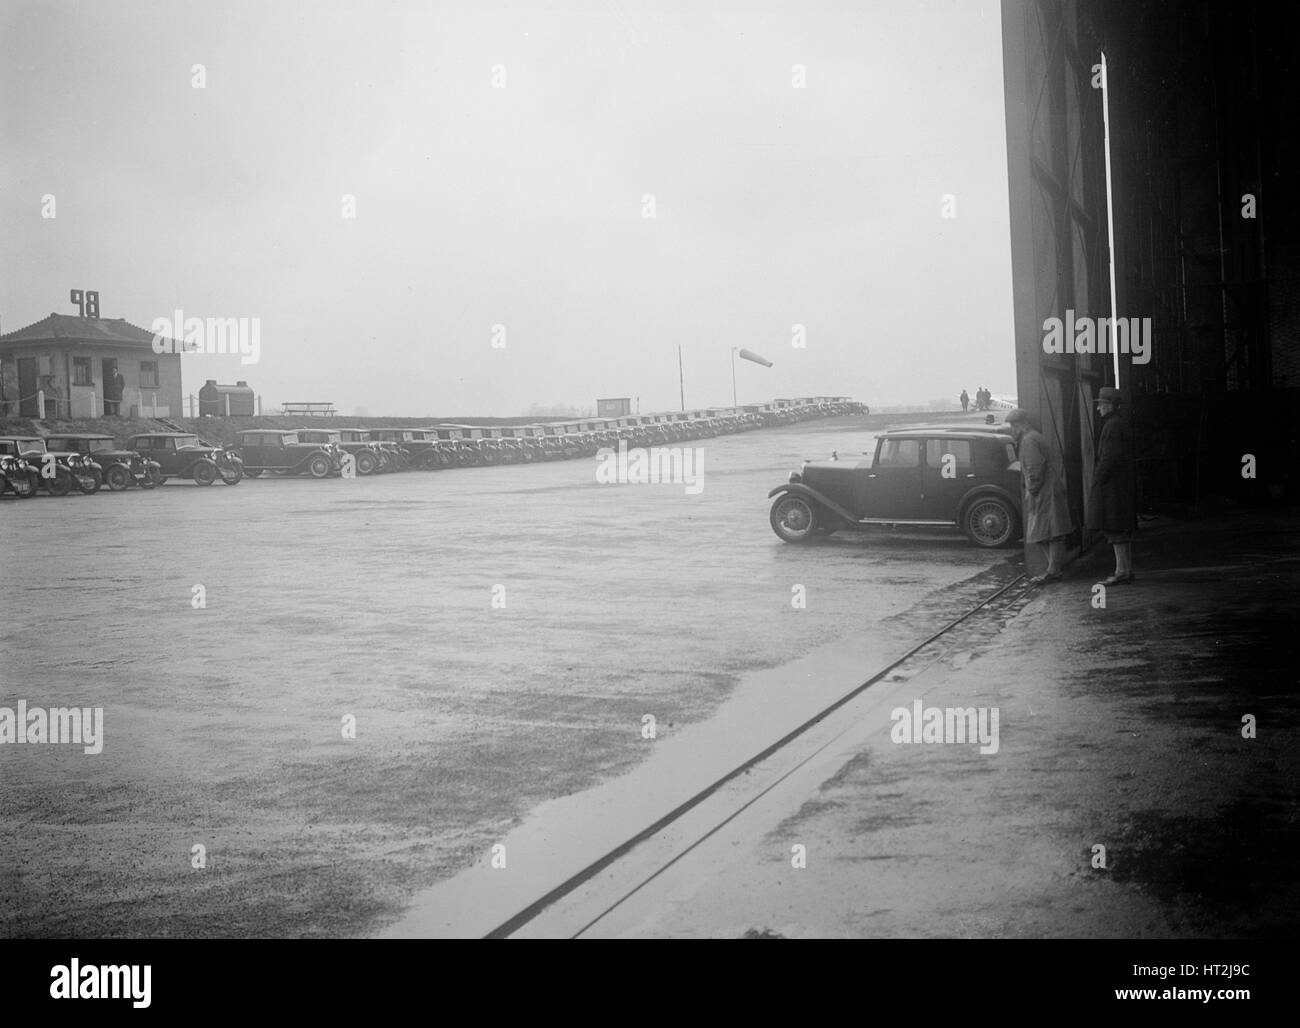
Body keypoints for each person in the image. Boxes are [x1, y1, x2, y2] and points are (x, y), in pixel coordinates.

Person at [1005, 408, 1073, 584]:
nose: (1011, 430)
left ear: (1019, 425)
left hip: (1043, 492)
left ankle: (1053, 570)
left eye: (1012, 426)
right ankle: (1053, 568)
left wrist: (1032, 490)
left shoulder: (1028, 441)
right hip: (1048, 489)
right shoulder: (1034, 437)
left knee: (1047, 532)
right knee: (1048, 532)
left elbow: (1034, 469)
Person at [1086, 386, 1137, 585]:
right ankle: (1124, 569)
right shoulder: (1118, 423)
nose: (1098, 409)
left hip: (1112, 487)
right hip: (1120, 484)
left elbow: (1109, 457)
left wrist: (1098, 478)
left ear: (1108, 406)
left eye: (1101, 405)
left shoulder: (1112, 426)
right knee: (1120, 528)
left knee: (1115, 528)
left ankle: (1122, 571)